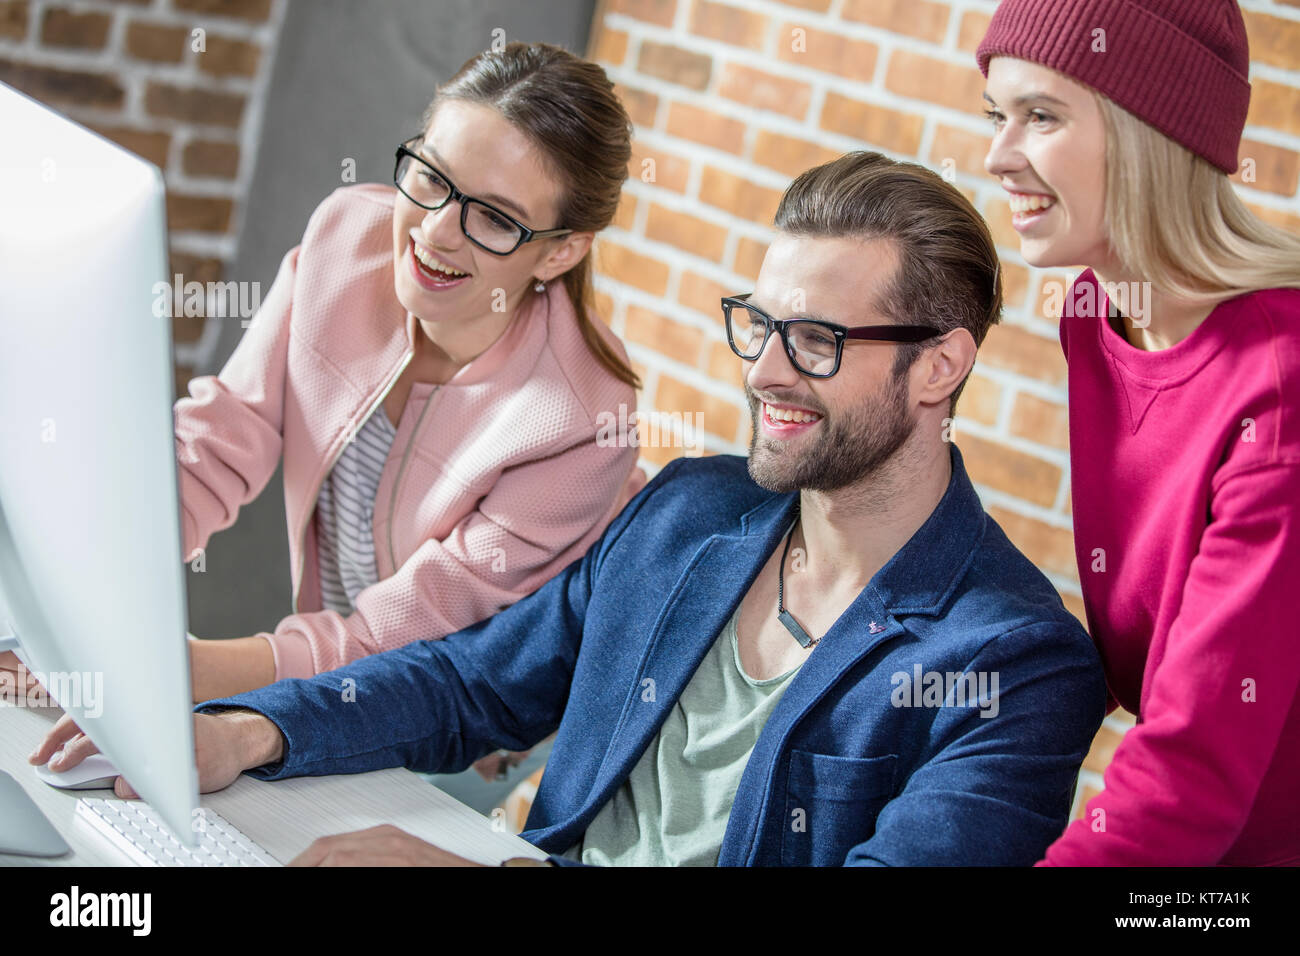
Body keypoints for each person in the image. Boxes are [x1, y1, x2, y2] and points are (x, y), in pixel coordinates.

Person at [34, 151, 1106, 866]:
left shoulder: (1015, 663)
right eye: (757, 324)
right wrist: (252, 730)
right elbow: (474, 680)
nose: (767, 372)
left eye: (817, 341)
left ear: (937, 369)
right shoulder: (695, 510)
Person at [7, 42, 646, 779]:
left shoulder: (582, 419)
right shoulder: (346, 239)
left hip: (470, 744)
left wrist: (164, 669)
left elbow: (401, 638)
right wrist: (66, 606)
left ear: (561, 253)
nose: (435, 232)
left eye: (495, 219)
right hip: (318, 688)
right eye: (432, 177)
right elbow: (213, 448)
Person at [978, 0, 1300, 865]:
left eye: (1040, 116)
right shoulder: (1094, 314)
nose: (997, 157)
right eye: (995, 115)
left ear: (1147, 131)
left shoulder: (1281, 381)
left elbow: (1190, 772)